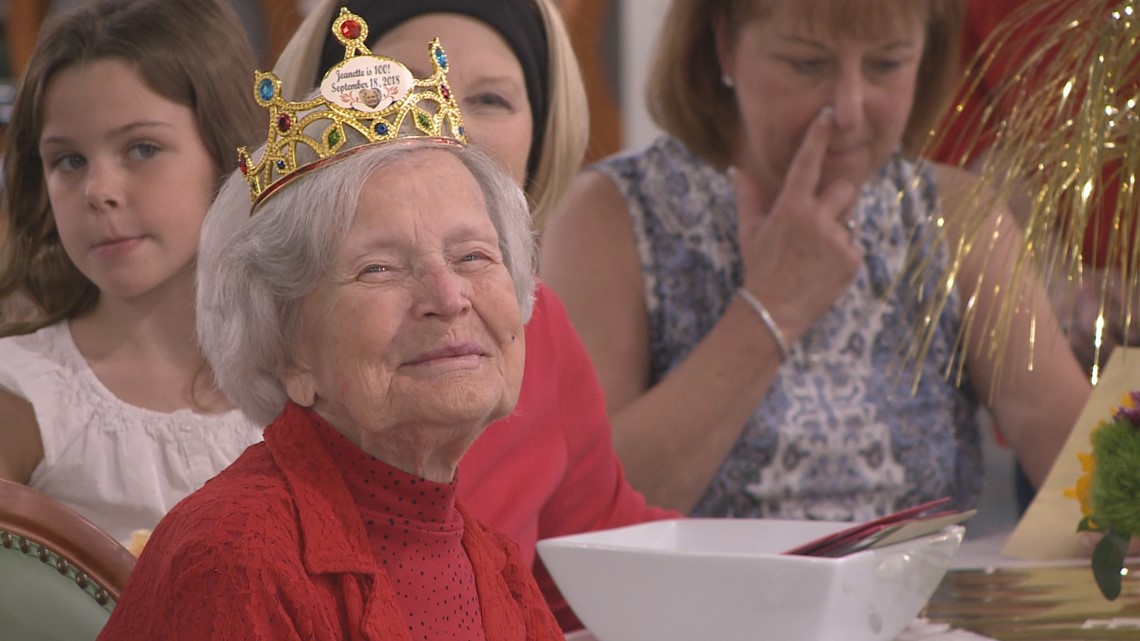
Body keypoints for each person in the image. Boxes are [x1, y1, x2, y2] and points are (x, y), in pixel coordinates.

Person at [539, 0, 1092, 521]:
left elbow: (1089, 483)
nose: (849, 110)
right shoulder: (611, 216)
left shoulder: (952, 214)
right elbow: (581, 511)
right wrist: (770, 310)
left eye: (886, 65)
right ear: (725, 43)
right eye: (807, 64)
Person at [97, 22, 562, 638]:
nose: (448, 299)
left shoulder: (497, 567)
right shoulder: (238, 560)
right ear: (287, 348)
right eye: (380, 269)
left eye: (473, 256)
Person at [273, 0, 676, 630]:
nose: (448, 127)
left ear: (541, 136)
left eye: (491, 99)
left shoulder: (538, 329)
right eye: (401, 90)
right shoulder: (262, 328)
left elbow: (601, 560)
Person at [0, 0, 265, 545]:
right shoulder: (23, 398)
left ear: (227, 152)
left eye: (142, 149)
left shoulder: (304, 381)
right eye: (69, 161)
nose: (99, 192)